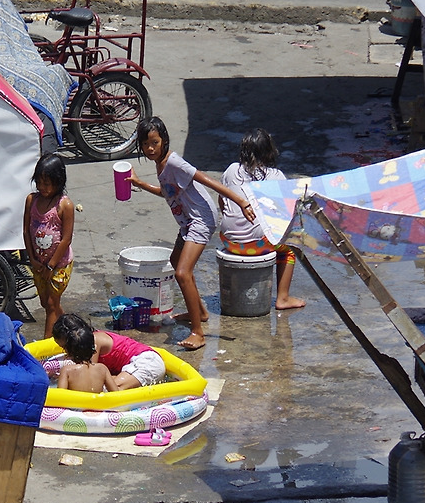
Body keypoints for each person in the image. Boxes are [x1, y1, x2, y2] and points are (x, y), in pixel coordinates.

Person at [128, 116, 258, 350]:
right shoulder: (161, 165)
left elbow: (205, 179)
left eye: (154, 143)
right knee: (175, 260)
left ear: (164, 140)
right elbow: (167, 193)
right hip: (187, 221)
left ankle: (198, 332)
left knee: (182, 272)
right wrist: (139, 183)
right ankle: (200, 312)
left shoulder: (174, 162)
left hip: (201, 220)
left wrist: (239, 200)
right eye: (145, 144)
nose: (149, 148)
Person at [218, 130, 305, 310]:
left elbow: (223, 201)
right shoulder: (276, 176)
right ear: (268, 152)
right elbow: (287, 211)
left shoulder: (231, 170)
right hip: (258, 245)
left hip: (229, 241)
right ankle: (283, 298)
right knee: (289, 249)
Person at [22, 153, 75, 339]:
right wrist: (32, 259)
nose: (42, 188)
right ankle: (69, 329)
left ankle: (47, 347)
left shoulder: (65, 205)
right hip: (38, 263)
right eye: (39, 182)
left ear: (58, 182)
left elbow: (66, 239)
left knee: (52, 304)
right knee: (46, 303)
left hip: (58, 265)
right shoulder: (31, 200)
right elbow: (26, 232)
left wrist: (51, 265)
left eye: (47, 183)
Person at [52, 312, 165, 390]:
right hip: (141, 362)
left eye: (65, 347)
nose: (66, 352)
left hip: (147, 363)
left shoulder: (94, 342)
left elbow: (91, 378)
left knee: (106, 389)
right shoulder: (89, 339)